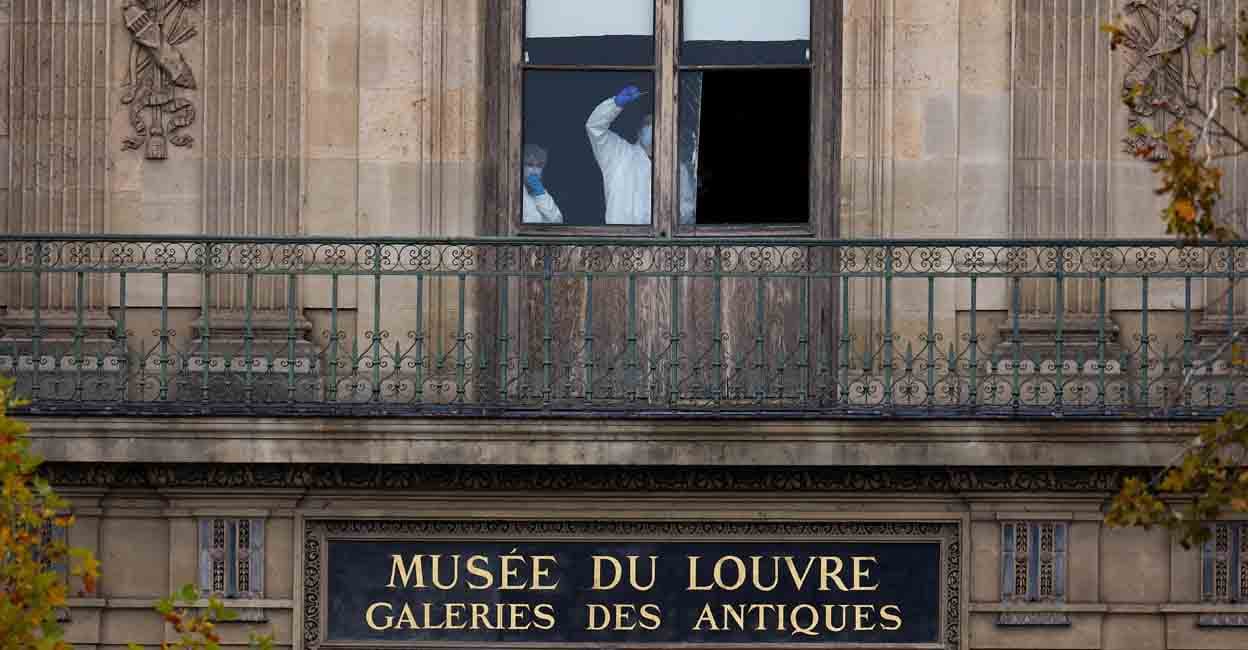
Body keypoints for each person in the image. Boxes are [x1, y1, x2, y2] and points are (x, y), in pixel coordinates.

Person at [586, 86, 697, 226]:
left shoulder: (678, 169)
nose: (652, 128)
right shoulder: (618, 154)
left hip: (659, 245)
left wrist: (669, 217)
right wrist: (615, 104)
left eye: (657, 124)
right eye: (648, 124)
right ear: (638, 131)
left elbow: (687, 209)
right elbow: (595, 127)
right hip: (620, 242)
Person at [521, 144, 563, 224]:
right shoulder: (514, 190)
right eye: (530, 165)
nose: (535, 171)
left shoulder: (541, 191)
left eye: (539, 166)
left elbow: (557, 220)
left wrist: (540, 194)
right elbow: (530, 222)